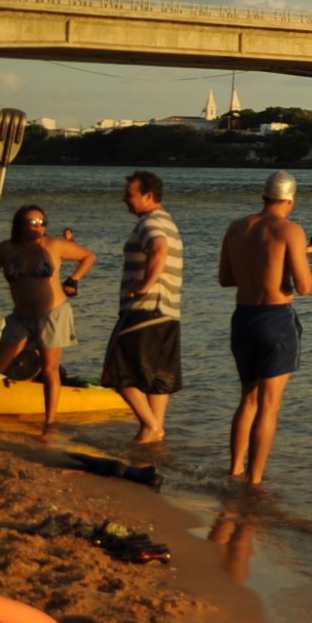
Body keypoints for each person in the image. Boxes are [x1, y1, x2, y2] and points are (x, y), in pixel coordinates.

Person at [218, 171, 312, 485]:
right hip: (275, 319)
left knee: (247, 399)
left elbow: (226, 279)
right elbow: (303, 287)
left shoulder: (237, 227)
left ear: (264, 196)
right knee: (269, 405)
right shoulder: (290, 230)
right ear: (290, 200)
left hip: (243, 317)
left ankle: (235, 469)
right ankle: (255, 479)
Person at [0, 204, 96, 434]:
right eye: (32, 222)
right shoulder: (6, 249)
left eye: (42, 222)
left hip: (52, 314)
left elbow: (88, 256)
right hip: (21, 318)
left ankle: (49, 423)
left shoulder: (53, 245)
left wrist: (74, 279)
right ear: (19, 225)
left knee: (49, 370)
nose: (39, 226)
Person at [102, 171, 183, 445]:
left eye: (129, 194)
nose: (124, 199)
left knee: (118, 372)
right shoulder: (169, 221)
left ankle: (150, 426)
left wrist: (146, 285)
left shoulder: (151, 222)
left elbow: (159, 249)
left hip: (145, 309)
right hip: (169, 312)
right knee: (158, 378)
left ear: (148, 196)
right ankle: (154, 433)